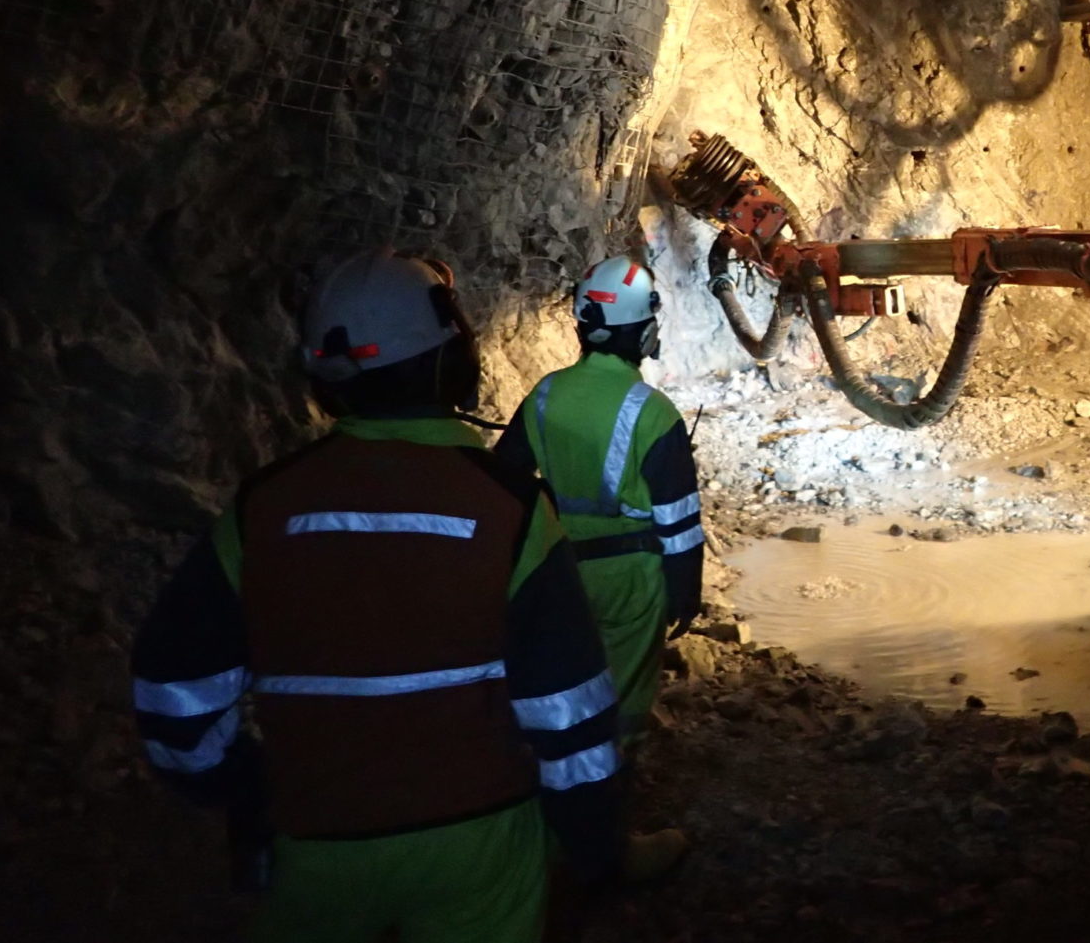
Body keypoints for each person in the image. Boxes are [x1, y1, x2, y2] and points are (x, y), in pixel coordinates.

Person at [130, 249, 624, 943]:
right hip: (478, 843)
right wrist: (593, 839)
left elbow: (171, 692)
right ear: (447, 355)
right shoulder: (507, 508)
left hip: (317, 842)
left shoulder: (264, 511)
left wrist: (248, 789)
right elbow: (569, 711)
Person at [497, 255, 703, 751]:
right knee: (622, 704)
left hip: (558, 568)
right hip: (633, 579)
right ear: (644, 330)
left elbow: (504, 482)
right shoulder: (653, 412)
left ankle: (560, 785)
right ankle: (609, 807)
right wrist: (685, 593)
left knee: (568, 687)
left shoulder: (545, 394)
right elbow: (678, 522)